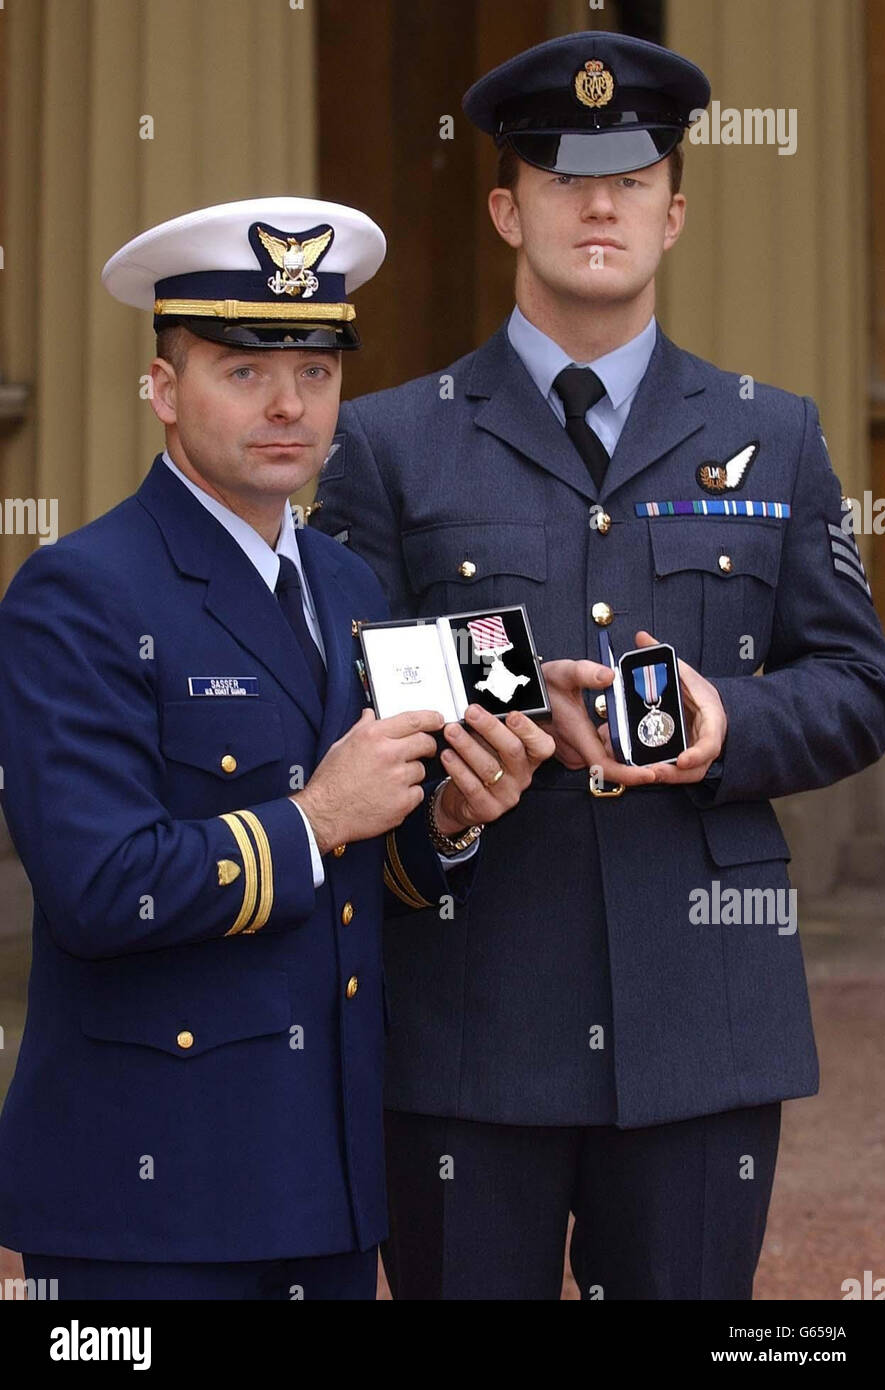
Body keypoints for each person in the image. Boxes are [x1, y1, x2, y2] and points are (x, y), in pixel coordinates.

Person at [310, 34, 885, 1300]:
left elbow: (858, 684)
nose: (597, 202)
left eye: (631, 178)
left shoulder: (772, 433)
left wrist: (724, 717)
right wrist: (463, 763)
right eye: (562, 175)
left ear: (672, 213)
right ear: (505, 205)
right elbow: (341, 687)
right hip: (471, 1017)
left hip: (700, 1021)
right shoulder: (390, 443)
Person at [0, 196, 553, 1301]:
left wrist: (440, 823)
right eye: (241, 371)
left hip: (327, 1172)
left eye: (315, 368)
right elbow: (97, 890)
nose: (288, 403)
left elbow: (353, 879)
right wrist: (312, 818)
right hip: (149, 1197)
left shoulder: (347, 585)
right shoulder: (79, 592)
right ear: (162, 390)